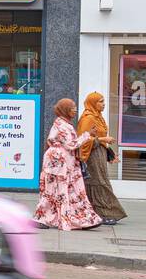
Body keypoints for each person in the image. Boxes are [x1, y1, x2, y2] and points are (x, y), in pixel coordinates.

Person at [34, 98, 107, 231]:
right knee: (56, 191)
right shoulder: (62, 125)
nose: (75, 110)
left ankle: (83, 219)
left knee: (72, 191)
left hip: (65, 163)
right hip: (58, 164)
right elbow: (70, 144)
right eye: (72, 108)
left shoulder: (64, 124)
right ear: (65, 110)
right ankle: (44, 218)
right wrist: (87, 135)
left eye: (75, 107)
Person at [77, 91, 127, 225]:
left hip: (99, 154)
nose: (104, 104)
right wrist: (104, 139)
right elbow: (84, 140)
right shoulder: (88, 118)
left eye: (103, 101)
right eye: (100, 101)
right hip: (92, 157)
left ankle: (98, 213)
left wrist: (109, 153)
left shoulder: (98, 117)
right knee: (98, 184)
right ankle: (104, 213)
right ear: (93, 103)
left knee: (99, 183)